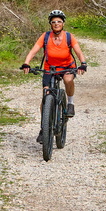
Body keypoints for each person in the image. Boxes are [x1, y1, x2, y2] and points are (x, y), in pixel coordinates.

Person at [21, 10, 87, 143]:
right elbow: (34, 50)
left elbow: (78, 52)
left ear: (63, 23)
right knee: (46, 94)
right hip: (49, 68)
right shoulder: (45, 36)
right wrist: (26, 63)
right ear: (50, 24)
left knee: (68, 79)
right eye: (53, 22)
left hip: (67, 67)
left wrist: (83, 64)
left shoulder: (69, 37)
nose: (56, 24)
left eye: (59, 22)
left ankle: (70, 103)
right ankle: (43, 127)